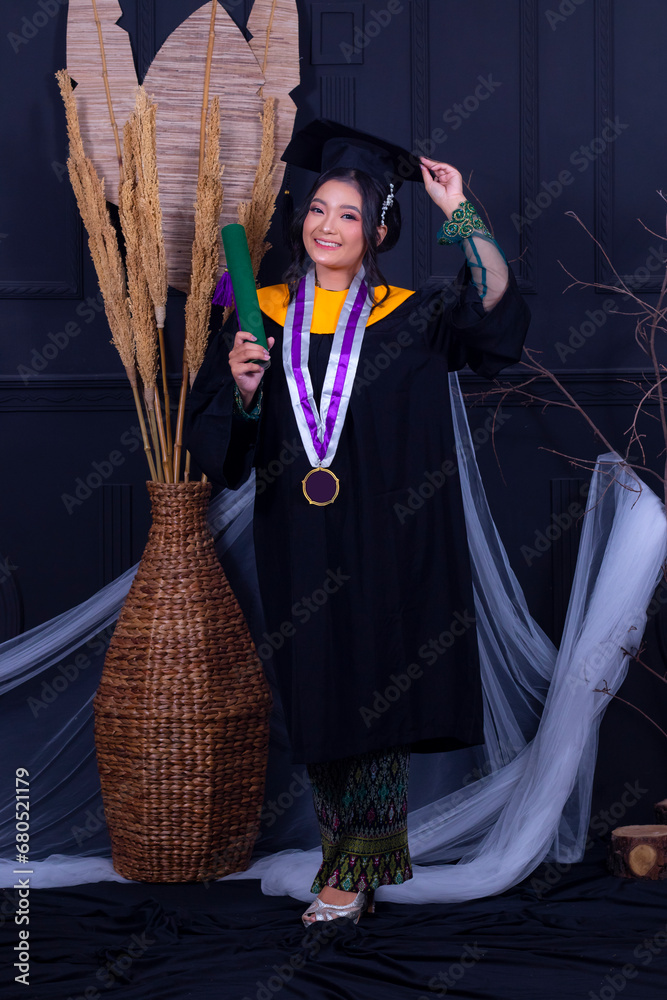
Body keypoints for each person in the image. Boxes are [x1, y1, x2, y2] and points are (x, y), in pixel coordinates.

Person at [186, 120, 530, 926]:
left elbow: (492, 298)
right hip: (299, 535)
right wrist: (243, 391)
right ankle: (347, 858)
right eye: (317, 209)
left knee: (378, 688)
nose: (327, 225)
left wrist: (458, 207)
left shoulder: (414, 316)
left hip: (394, 535)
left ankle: (352, 870)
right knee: (321, 692)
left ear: (377, 232)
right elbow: (221, 451)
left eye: (349, 214)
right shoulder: (260, 317)